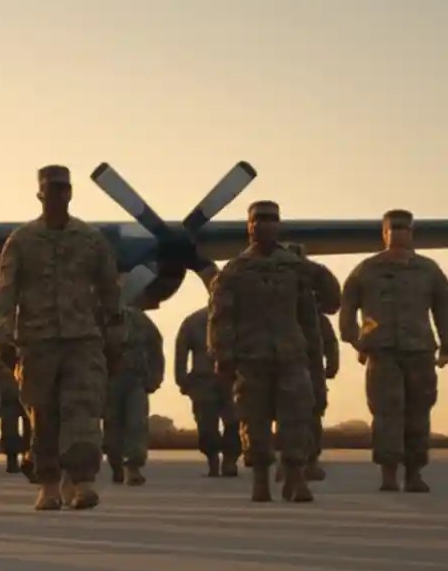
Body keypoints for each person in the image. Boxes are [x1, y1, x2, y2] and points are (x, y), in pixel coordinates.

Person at [0, 165, 124, 511]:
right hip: (37, 341)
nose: (58, 194)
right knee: (43, 415)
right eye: (51, 189)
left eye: (63, 188)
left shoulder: (91, 239)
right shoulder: (21, 241)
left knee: (82, 410)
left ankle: (82, 482)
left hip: (82, 339)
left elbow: (110, 288)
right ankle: (49, 484)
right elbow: (6, 291)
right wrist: (1, 334)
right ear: (40, 194)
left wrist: (116, 332)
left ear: (71, 193)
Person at [207, 200, 322, 503]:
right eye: (258, 219)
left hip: (291, 355)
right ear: (248, 226)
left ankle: (295, 476)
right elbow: (220, 316)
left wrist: (307, 263)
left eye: (271, 219)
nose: (264, 225)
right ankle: (260, 479)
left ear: (279, 225)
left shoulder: (295, 267)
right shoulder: (234, 270)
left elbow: (323, 303)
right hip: (251, 357)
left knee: (297, 416)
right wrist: (222, 355)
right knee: (253, 419)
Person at [339, 209, 448, 493]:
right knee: (386, 413)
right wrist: (355, 340)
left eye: (404, 227)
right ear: (383, 233)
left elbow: (445, 310)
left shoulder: (429, 270)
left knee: (418, 413)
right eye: (393, 227)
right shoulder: (367, 269)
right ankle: (388, 474)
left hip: (420, 351)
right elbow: (348, 305)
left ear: (412, 232)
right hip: (382, 352)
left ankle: (414, 473)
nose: (399, 232)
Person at [280, 242, 339, 483]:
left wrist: (331, 365)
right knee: (297, 412)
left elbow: (330, 341)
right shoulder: (314, 318)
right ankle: (294, 463)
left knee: (307, 412)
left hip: (306, 362)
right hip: (294, 361)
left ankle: (306, 462)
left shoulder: (316, 319)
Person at [102, 294, 164, 485]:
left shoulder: (140, 320)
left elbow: (156, 347)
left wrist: (155, 376)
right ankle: (116, 464)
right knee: (112, 424)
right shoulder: (99, 318)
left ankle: (133, 466)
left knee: (136, 422)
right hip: (109, 380)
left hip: (136, 379)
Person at [176, 303, 241, 477]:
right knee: (230, 421)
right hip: (220, 378)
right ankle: (225, 460)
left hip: (216, 379)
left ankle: (221, 460)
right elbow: (181, 352)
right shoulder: (238, 317)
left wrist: (182, 380)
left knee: (213, 422)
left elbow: (181, 353)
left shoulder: (193, 320)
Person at [0, 358, 35, 481]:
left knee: (32, 422)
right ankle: (12, 458)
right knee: (10, 421)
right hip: (10, 374)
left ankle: (30, 456)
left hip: (27, 370)